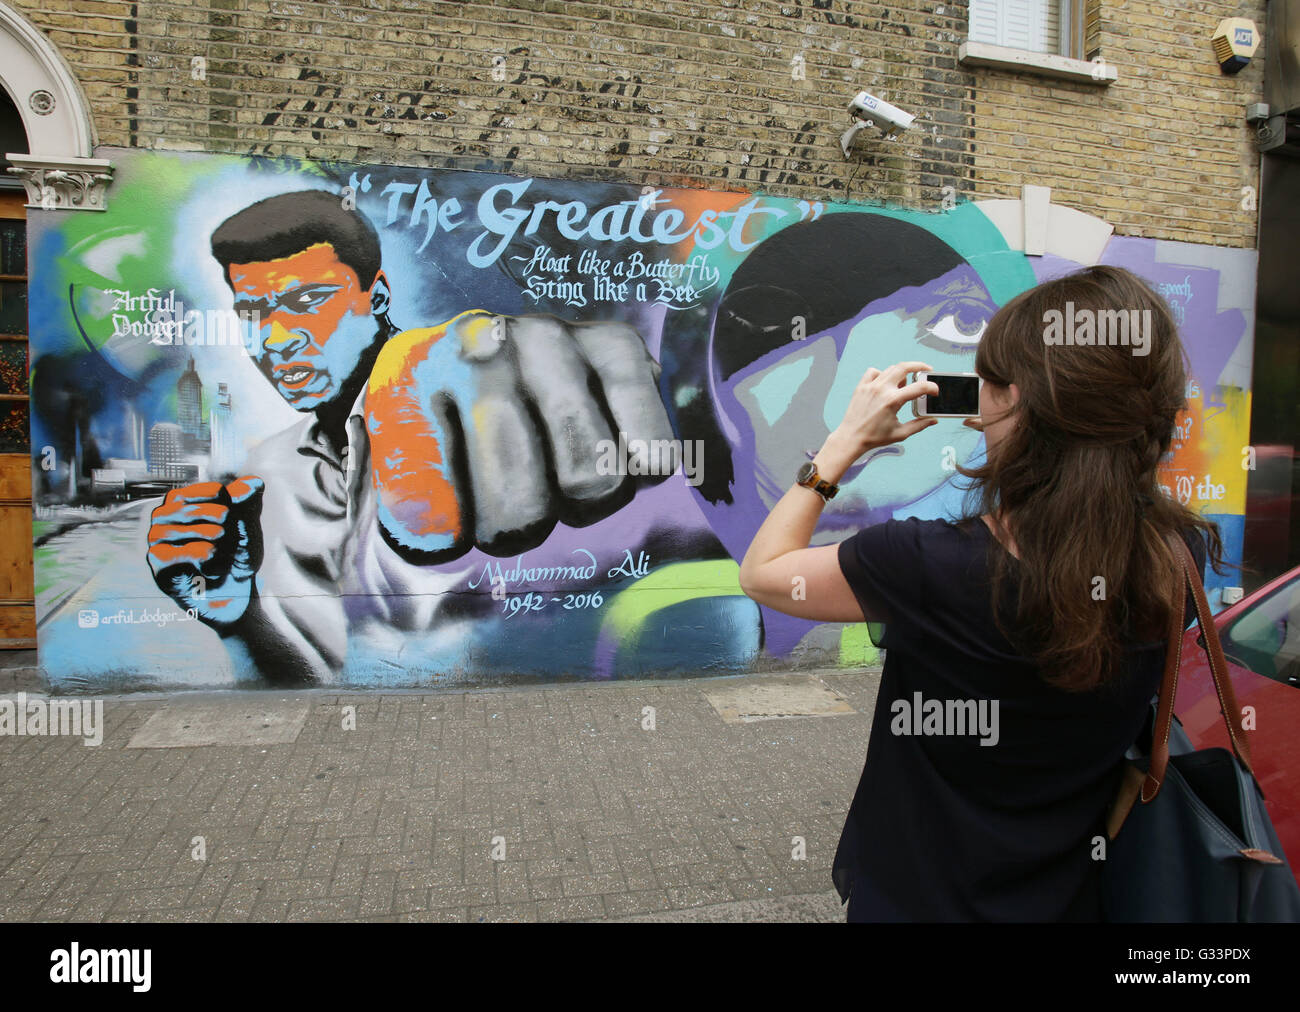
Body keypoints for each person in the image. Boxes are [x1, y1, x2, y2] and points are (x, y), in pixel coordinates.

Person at [737, 264, 1221, 921]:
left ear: (1012, 402)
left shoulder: (923, 564)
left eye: (986, 379)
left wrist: (843, 444)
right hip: (1074, 903)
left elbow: (765, 571)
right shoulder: (1176, 558)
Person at [144, 189, 673, 684]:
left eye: (306, 303)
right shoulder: (268, 476)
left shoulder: (458, 414)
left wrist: (510, 365)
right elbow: (316, 679)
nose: (276, 339)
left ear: (376, 297)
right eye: (251, 314)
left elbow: (464, 360)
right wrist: (238, 618)